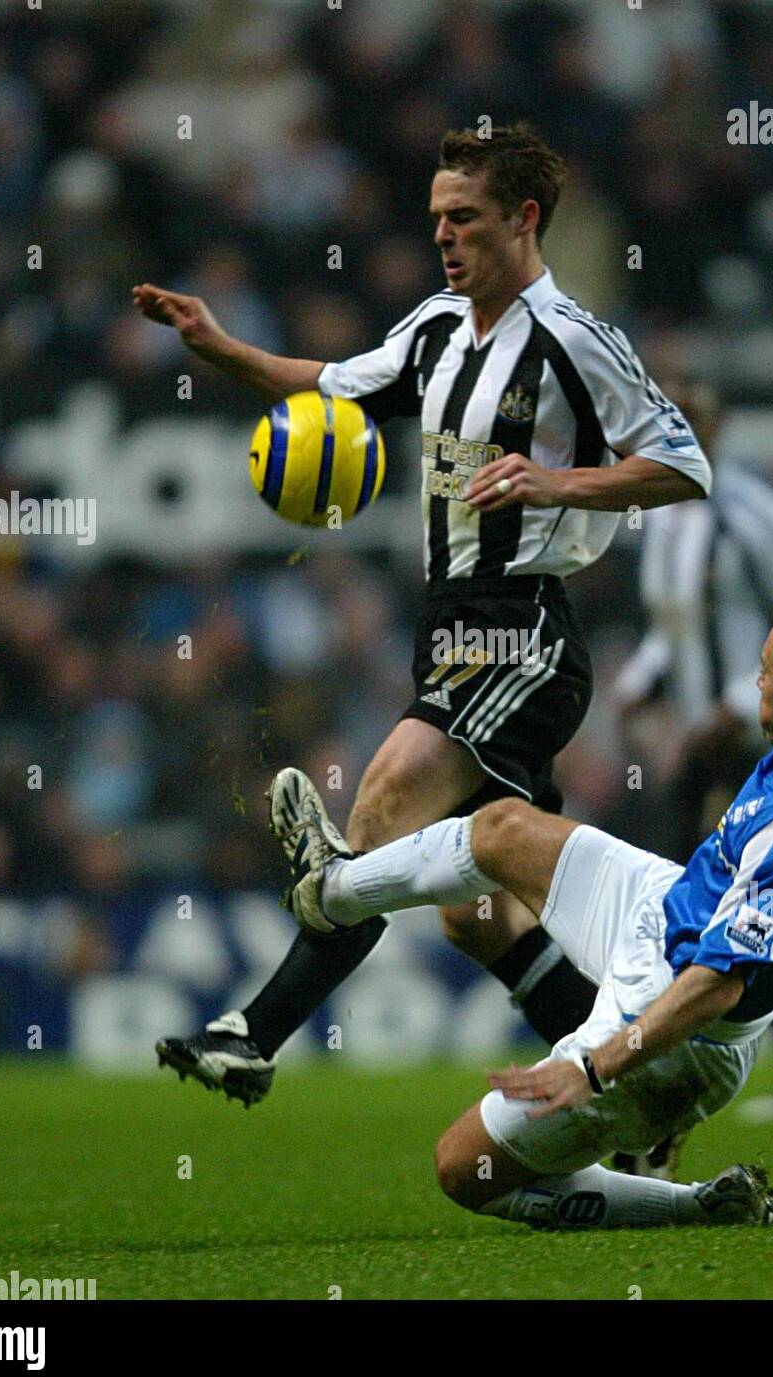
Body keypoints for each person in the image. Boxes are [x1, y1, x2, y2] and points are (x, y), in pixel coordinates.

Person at [265, 339, 773, 1228]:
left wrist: (595, 1064)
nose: (751, 678)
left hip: (679, 1029)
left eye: (764, 670)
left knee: (463, 1171)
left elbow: (715, 989)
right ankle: (330, 892)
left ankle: (698, 1206)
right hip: (667, 903)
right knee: (501, 828)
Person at [140, 123, 710, 1104]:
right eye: (436, 218)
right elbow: (329, 388)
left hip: (521, 632)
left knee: (384, 794)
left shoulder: (574, 340)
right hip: (444, 627)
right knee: (478, 913)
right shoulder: (436, 327)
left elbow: (681, 466)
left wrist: (553, 482)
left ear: (524, 220)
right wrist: (217, 345)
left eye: (464, 217)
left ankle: (253, 1029)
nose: (443, 236)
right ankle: (633, 1081)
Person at [616, 379, 773, 1126]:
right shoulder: (663, 519)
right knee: (697, 889)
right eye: (667, 422)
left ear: (716, 430)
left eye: (690, 421)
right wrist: (637, 681)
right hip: (704, 734)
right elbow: (674, 628)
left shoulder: (749, 513)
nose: (675, 434)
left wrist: (733, 701)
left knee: (712, 892)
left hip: (756, 731)